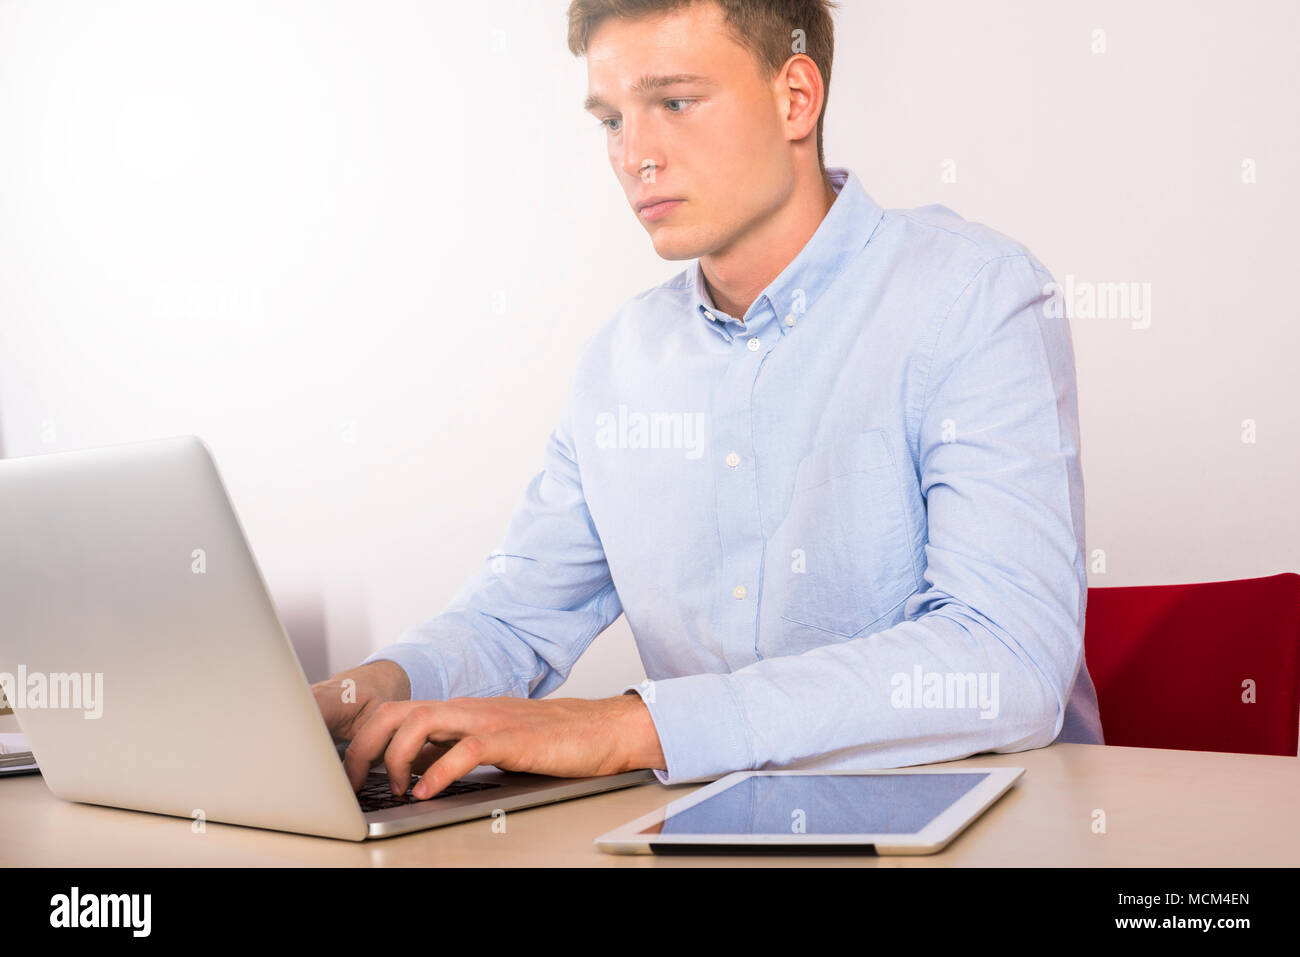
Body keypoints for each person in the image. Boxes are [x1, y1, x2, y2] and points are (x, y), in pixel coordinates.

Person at [313, 0, 1104, 801]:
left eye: (675, 104)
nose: (636, 156)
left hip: (991, 825)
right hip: (714, 832)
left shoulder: (972, 295)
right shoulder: (619, 365)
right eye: (611, 120)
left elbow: (1004, 661)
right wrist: (367, 690)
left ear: (795, 97)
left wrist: (629, 727)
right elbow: (513, 619)